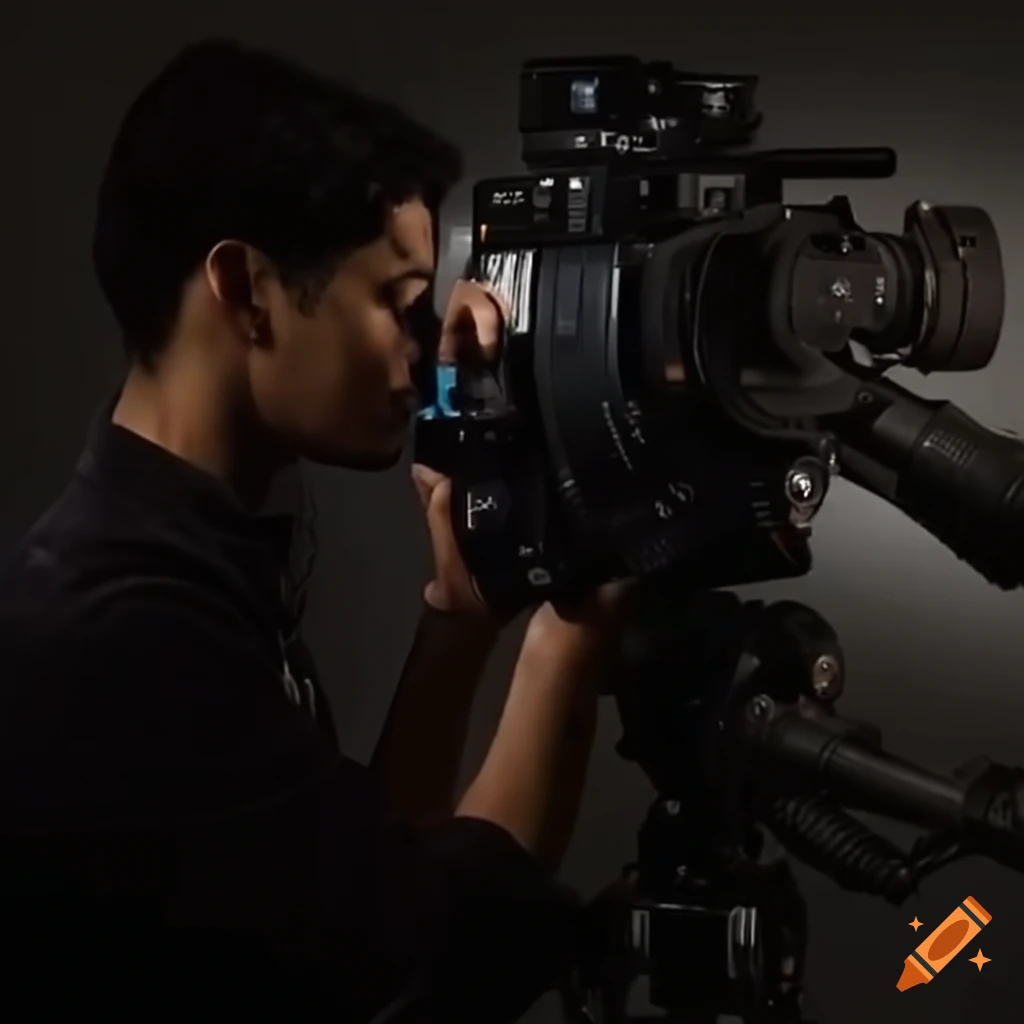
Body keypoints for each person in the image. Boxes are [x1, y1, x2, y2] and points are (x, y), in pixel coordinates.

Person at [0, 39, 626, 1021]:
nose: (426, 359)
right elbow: (432, 958)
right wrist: (576, 622)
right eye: (398, 304)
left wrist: (463, 616)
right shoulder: (125, 639)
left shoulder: (184, 563)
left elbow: (343, 897)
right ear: (246, 292)